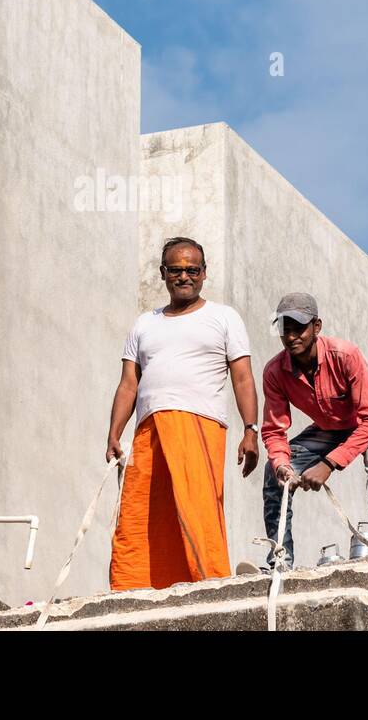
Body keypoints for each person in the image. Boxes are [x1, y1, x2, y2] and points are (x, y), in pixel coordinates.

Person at [106, 237, 260, 590]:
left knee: (197, 510)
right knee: (143, 514)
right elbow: (129, 384)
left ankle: (209, 584)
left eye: (192, 270)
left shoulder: (223, 317)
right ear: (163, 274)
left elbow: (243, 377)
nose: (184, 276)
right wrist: (115, 433)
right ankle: (139, 589)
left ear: (204, 273)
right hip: (149, 431)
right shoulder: (144, 323)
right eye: (175, 270)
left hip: (200, 425)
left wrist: (251, 430)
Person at [260, 292, 368, 568]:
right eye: (284, 330)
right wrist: (281, 465)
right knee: (273, 471)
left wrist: (328, 464)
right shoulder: (275, 372)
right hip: (330, 428)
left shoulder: (345, 355)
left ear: (317, 326)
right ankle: (280, 559)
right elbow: (275, 432)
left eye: (299, 328)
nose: (291, 337)